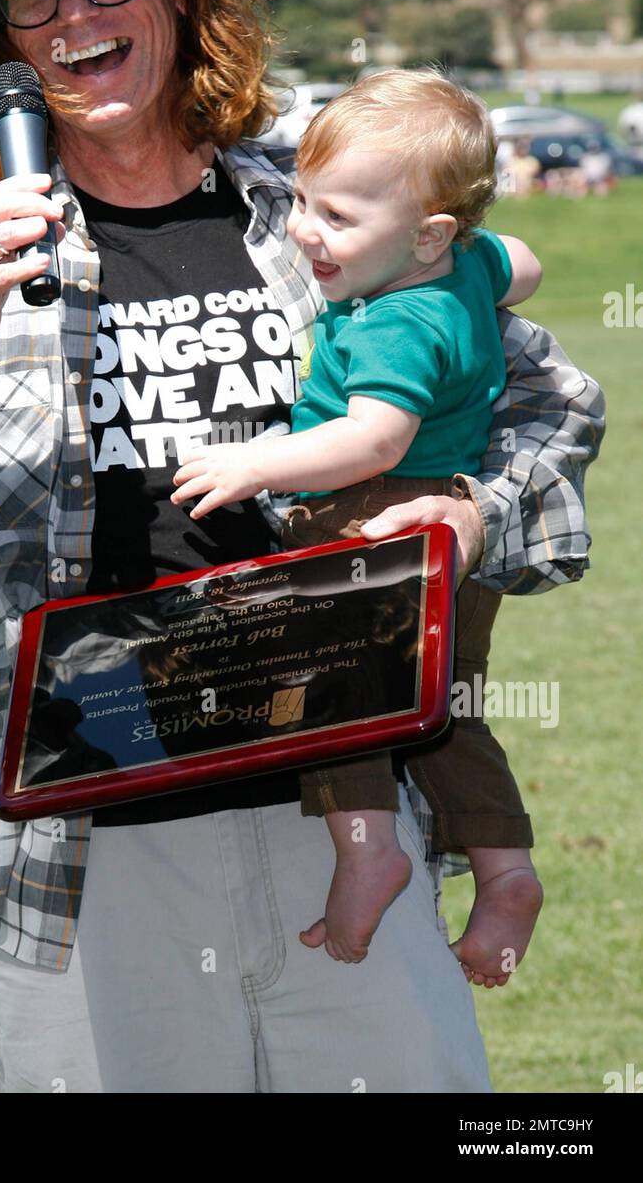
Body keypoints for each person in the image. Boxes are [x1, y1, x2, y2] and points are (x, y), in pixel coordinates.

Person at [0, 0, 605, 1093]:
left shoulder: (328, 201)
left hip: (344, 820)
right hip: (86, 858)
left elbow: (549, 403)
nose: (75, 12)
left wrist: (473, 520)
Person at [172, 67, 545, 987]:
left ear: (426, 235)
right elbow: (523, 263)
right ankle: (506, 870)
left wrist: (250, 463)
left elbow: (372, 437)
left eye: (337, 218)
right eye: (302, 200)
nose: (305, 230)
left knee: (331, 697)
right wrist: (477, 273)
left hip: (370, 518)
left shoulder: (391, 320)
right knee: (447, 710)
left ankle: (369, 850)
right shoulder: (462, 266)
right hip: (449, 532)